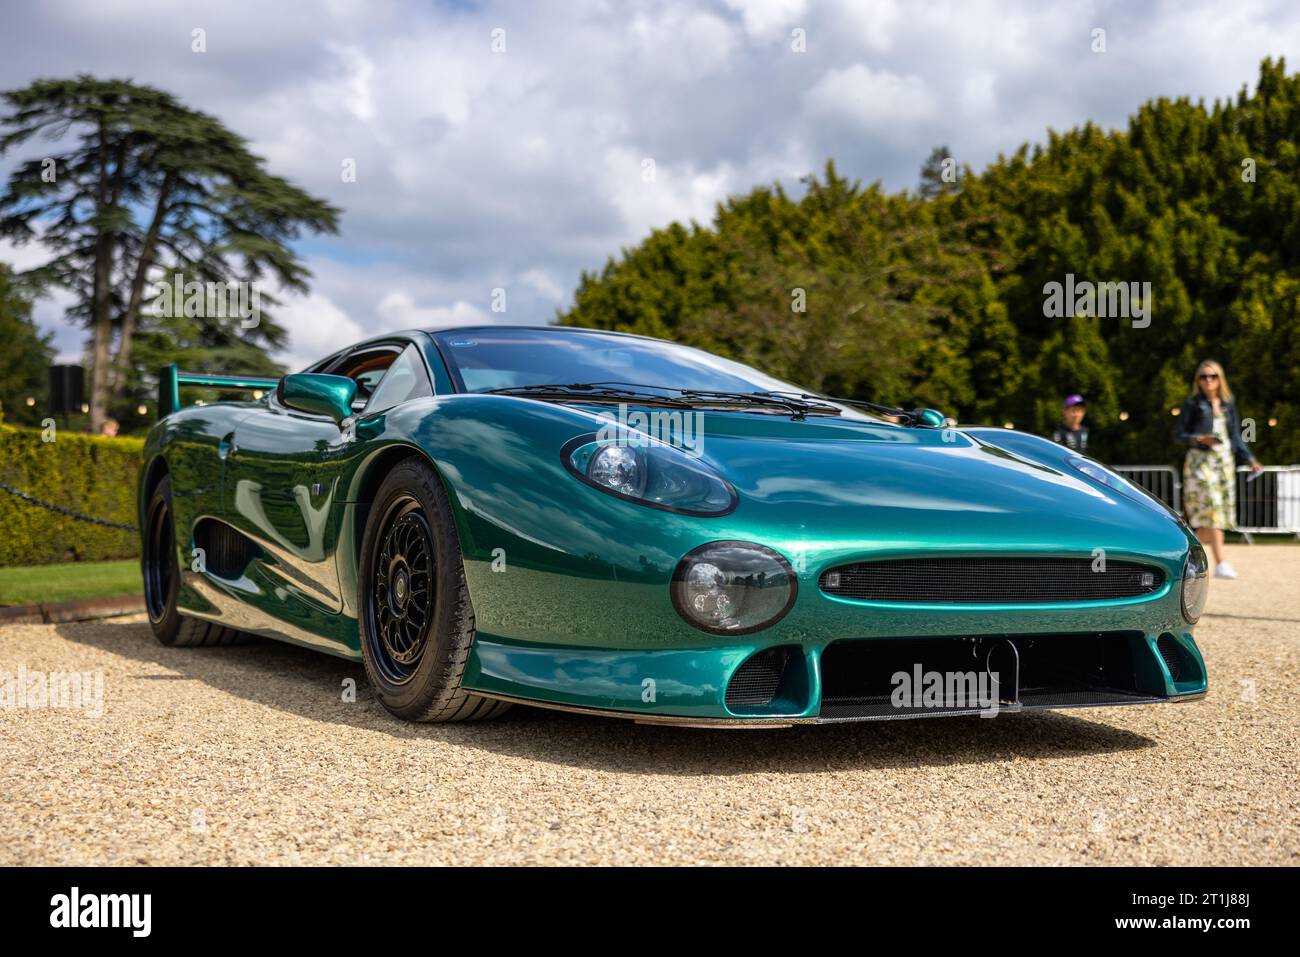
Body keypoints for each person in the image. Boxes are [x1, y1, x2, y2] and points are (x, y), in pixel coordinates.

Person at [1175, 360, 1262, 579]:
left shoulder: (1228, 403)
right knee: (1212, 509)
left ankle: (1186, 558)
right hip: (1200, 462)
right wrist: (1199, 438)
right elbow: (1179, 435)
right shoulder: (1192, 403)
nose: (1208, 380)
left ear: (1220, 378)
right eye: (1203, 377)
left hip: (1223, 462)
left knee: (1216, 516)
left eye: (1212, 376)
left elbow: (1235, 436)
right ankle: (1221, 563)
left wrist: (1250, 459)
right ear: (1198, 380)